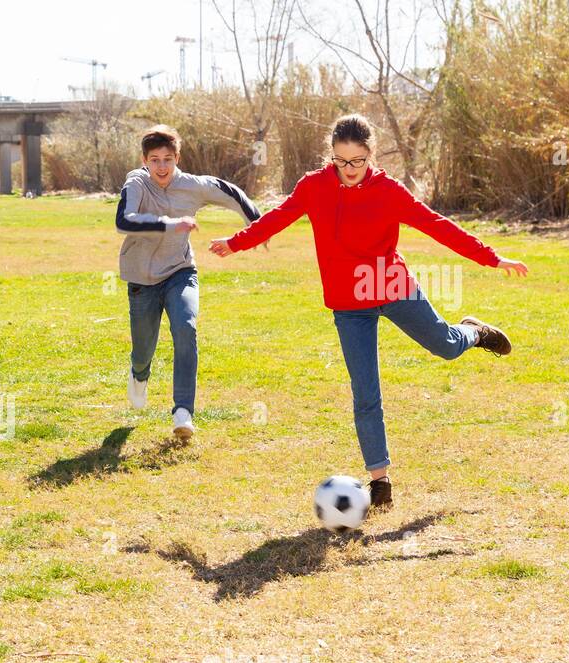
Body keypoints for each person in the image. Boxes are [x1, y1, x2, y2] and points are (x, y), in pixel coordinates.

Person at [210, 113, 528, 508]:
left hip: (391, 285)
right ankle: (380, 480)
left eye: (357, 161)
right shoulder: (314, 186)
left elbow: (436, 225)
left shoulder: (388, 191)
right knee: (366, 394)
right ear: (331, 156)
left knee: (446, 346)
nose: (348, 170)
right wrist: (236, 242)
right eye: (340, 161)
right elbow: (278, 218)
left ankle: (474, 333)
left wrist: (491, 258)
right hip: (348, 303)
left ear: (370, 156)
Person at [116, 124, 260, 443]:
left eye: (168, 159)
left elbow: (228, 191)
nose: (162, 167)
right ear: (144, 160)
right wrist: (171, 224)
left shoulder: (191, 185)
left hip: (180, 270)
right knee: (143, 349)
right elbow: (123, 221)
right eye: (155, 160)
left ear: (178, 157)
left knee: (186, 326)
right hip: (141, 277)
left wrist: (256, 223)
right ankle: (139, 374)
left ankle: (183, 412)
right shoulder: (136, 181)